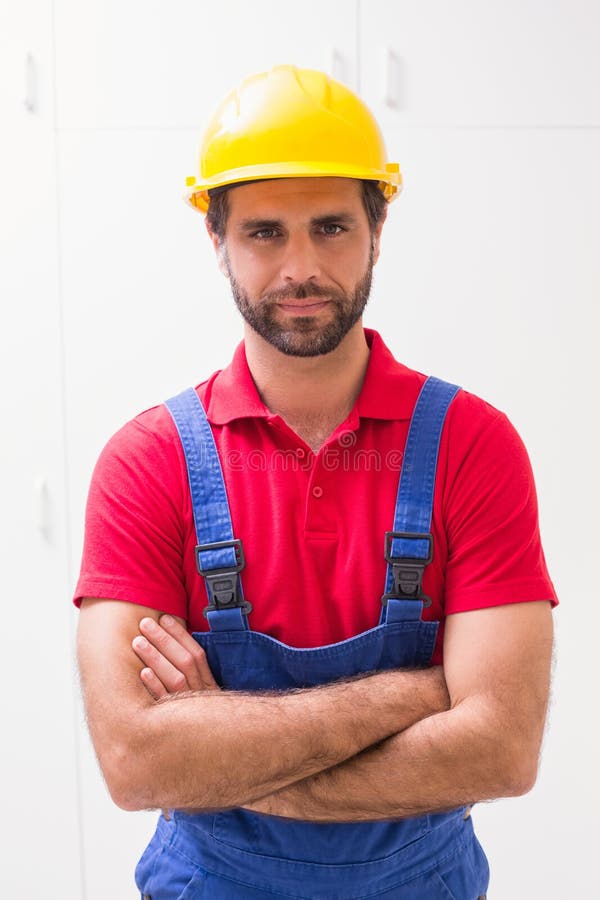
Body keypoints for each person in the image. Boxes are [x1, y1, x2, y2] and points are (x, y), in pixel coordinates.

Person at [75, 65, 557, 900]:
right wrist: (417, 693)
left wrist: (222, 754)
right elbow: (136, 763)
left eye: (331, 226)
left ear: (377, 227)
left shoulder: (474, 447)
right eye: (265, 232)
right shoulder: (147, 464)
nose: (301, 267)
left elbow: (500, 752)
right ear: (216, 239)